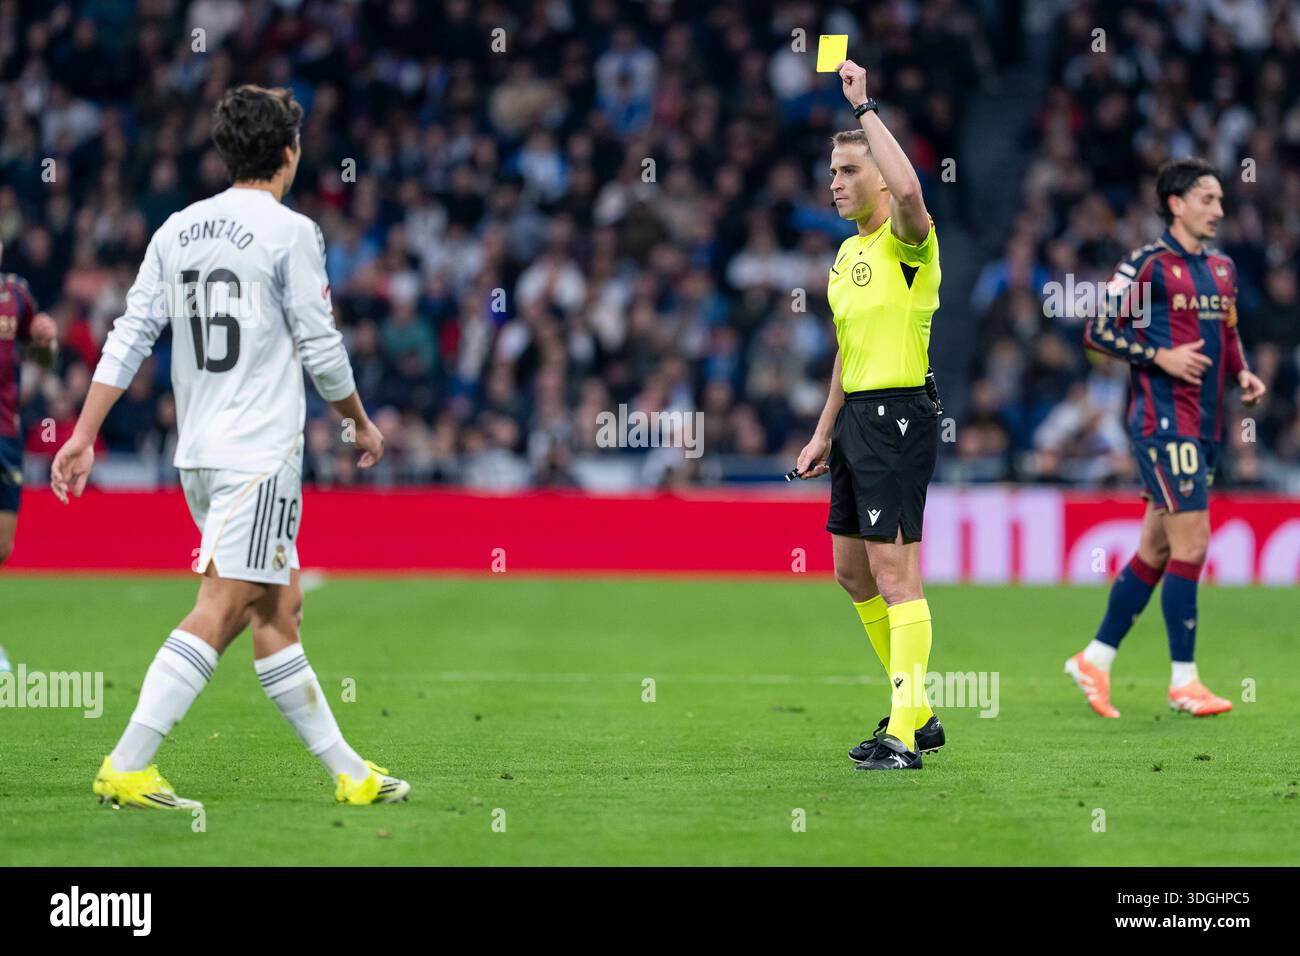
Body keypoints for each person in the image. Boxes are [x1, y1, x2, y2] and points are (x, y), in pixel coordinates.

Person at [51, 85, 410, 809]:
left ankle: (350, 773)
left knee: (279, 611)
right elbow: (322, 346)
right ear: (289, 152)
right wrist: (361, 423)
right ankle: (128, 762)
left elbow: (128, 338)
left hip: (201, 456)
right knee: (220, 604)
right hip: (258, 456)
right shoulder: (291, 233)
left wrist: (82, 432)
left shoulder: (176, 229)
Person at [1067, 156, 1267, 718]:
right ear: (1176, 203)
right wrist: (1161, 355)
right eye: (1208, 199)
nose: (1219, 210)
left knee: (1156, 549)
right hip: (1163, 423)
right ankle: (1184, 681)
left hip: (1205, 425)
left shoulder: (1223, 269)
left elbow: (1226, 333)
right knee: (1193, 545)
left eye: (1222, 201)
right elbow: (1099, 330)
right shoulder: (1147, 267)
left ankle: (1095, 659)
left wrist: (1241, 371)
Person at [795, 60, 943, 771]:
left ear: (880, 178)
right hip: (857, 417)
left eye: (849, 170)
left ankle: (906, 733)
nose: (836, 182)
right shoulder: (846, 256)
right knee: (851, 571)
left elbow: (912, 188)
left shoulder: (909, 244)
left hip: (899, 417)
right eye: (832, 172)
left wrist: (865, 108)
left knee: (894, 575)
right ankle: (917, 706)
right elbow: (844, 350)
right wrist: (824, 430)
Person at [0, 241, 59, 569]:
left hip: (7, 430)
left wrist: (45, 342)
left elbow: (42, 359)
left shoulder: (17, 295)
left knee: (3, 546)